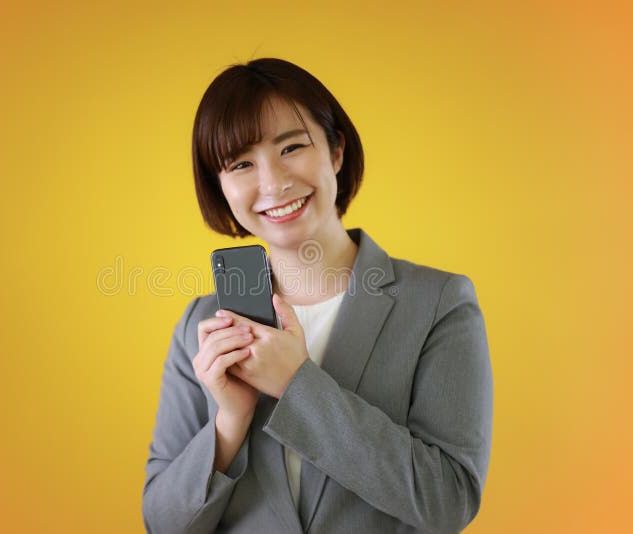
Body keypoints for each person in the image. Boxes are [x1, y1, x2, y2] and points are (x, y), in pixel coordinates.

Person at [142, 58, 493, 534]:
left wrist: (298, 386)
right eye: (241, 163)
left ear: (335, 151)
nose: (272, 183)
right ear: (220, 186)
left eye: (291, 147)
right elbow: (162, 523)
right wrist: (230, 421)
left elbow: (447, 501)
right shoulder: (202, 324)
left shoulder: (438, 303)